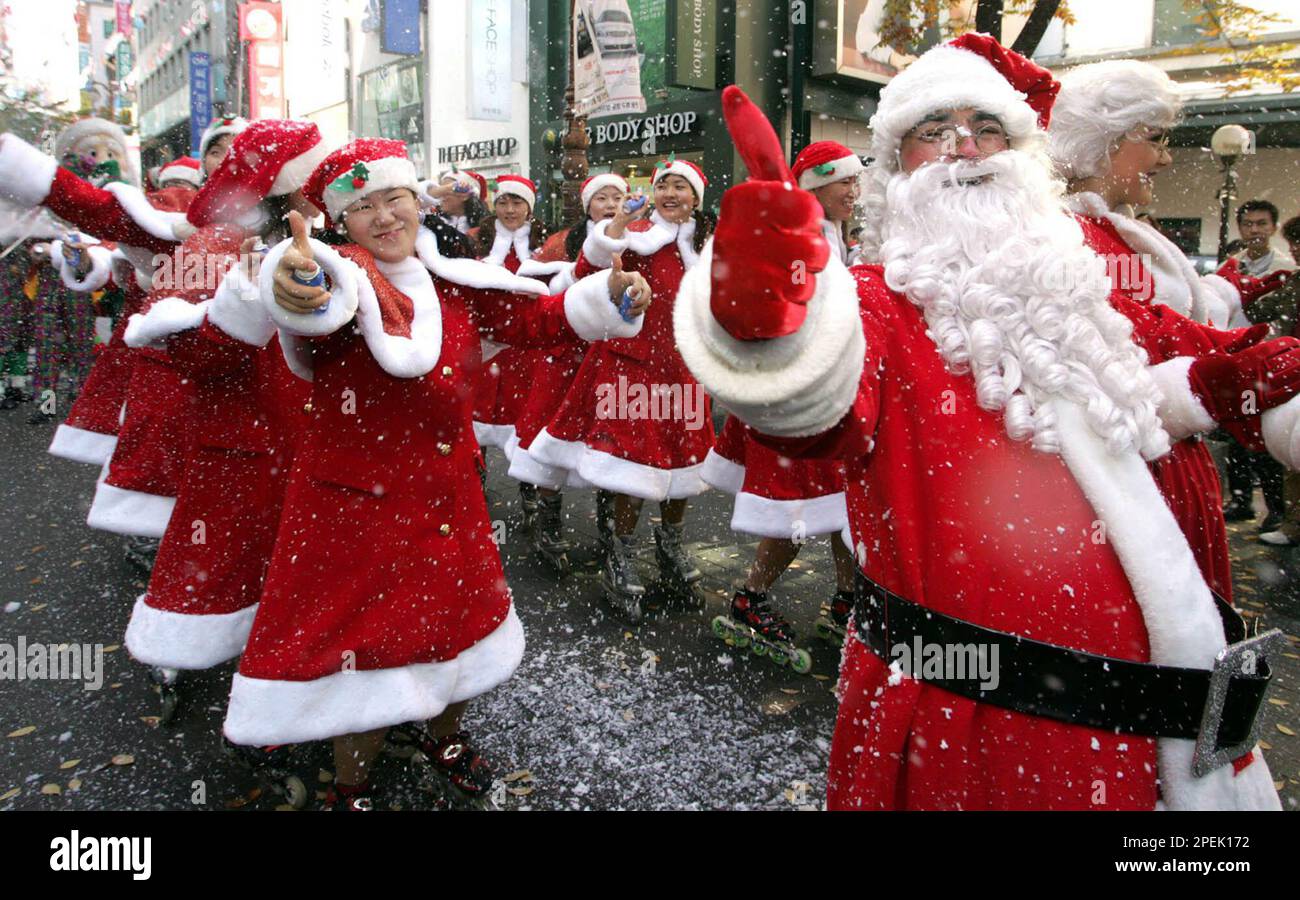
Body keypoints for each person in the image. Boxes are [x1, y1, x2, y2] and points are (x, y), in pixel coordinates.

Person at [675, 37, 1289, 809]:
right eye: (934, 131)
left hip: (1159, 739)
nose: (967, 148)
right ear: (896, 172)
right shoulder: (875, 304)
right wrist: (763, 312)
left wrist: (1246, 379)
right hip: (970, 731)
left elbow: (1191, 361)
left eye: (987, 127)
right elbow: (807, 409)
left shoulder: (1076, 287)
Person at [224, 138, 651, 810]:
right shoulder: (341, 278)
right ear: (342, 220)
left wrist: (611, 296)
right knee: (361, 657)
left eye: (393, 197)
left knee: (455, 631)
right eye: (363, 206)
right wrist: (295, 282)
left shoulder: (454, 281)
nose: (385, 216)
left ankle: (443, 738)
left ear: (415, 199)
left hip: (447, 498)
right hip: (354, 508)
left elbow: (537, 319)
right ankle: (352, 784)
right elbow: (309, 307)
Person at [1047, 58, 1287, 599]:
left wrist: (1223, 303)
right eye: (1153, 139)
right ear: (1104, 142)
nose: (1165, 156)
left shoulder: (1111, 230)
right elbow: (1121, 352)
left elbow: (1160, 324)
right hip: (1135, 471)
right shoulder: (1073, 239)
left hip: (1158, 459)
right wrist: (1223, 373)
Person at [115, 120, 323, 718]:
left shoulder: (326, 236)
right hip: (241, 437)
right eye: (317, 176)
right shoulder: (213, 243)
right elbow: (176, 346)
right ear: (289, 184)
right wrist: (251, 297)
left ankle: (291, 678)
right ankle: (186, 655)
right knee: (217, 564)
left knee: (294, 563)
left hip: (309, 432)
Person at [531, 157, 717, 623]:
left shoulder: (708, 248)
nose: (672, 194)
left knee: (686, 463)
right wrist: (617, 223)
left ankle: (670, 547)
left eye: (682, 188)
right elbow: (585, 267)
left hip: (684, 370)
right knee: (630, 465)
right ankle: (620, 551)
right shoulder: (634, 236)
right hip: (630, 369)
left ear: (696, 199)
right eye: (665, 187)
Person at [703, 142, 862, 667]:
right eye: (845, 182)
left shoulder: (835, 235)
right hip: (795, 398)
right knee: (793, 510)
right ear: (817, 186)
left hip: (833, 393)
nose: (854, 192)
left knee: (844, 506)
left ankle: (845, 600)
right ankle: (751, 598)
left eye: (856, 182)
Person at [506, 172, 629, 572]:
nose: (610, 204)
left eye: (617, 197)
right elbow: (539, 290)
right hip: (569, 349)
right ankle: (549, 518)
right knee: (551, 432)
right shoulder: (562, 242)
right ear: (588, 204)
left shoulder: (638, 238)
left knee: (609, 441)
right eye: (601, 198)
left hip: (614, 354)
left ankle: (609, 530)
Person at [1218, 200, 1296, 531]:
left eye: (1261, 224)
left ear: (1273, 228)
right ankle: (1239, 500)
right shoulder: (1229, 266)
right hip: (1237, 360)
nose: (1254, 230)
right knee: (1237, 434)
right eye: (1248, 224)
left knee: (1270, 436)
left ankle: (1277, 509)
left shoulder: (1287, 268)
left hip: (1273, 362)